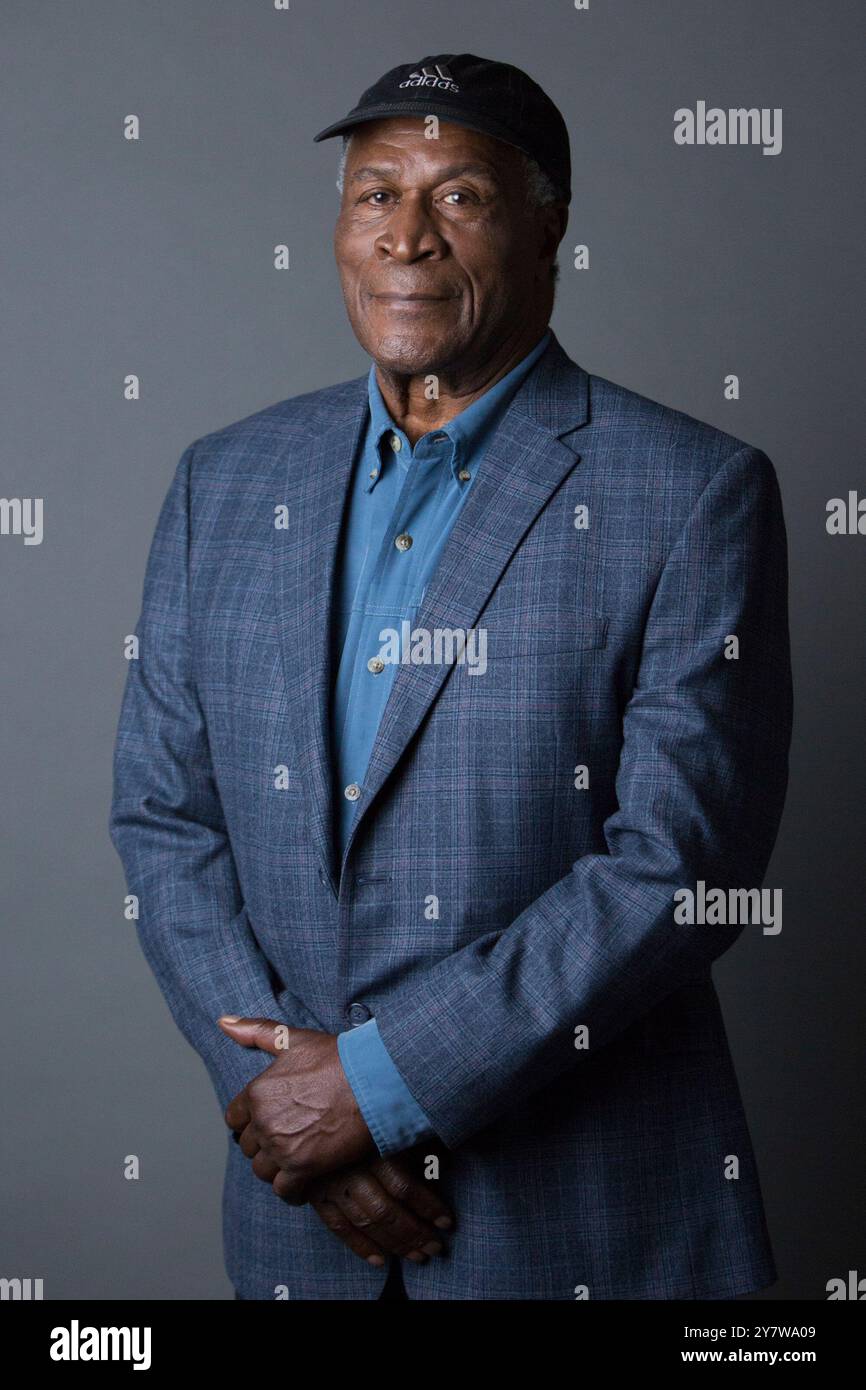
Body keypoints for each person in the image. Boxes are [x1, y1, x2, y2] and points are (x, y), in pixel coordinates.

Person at [109, 53, 792, 1301]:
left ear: (550, 226)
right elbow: (165, 816)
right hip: (296, 1227)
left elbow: (682, 866)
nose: (405, 237)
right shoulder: (226, 480)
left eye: (459, 195)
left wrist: (371, 1089)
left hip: (575, 1219)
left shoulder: (688, 491)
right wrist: (285, 1106)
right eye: (374, 194)